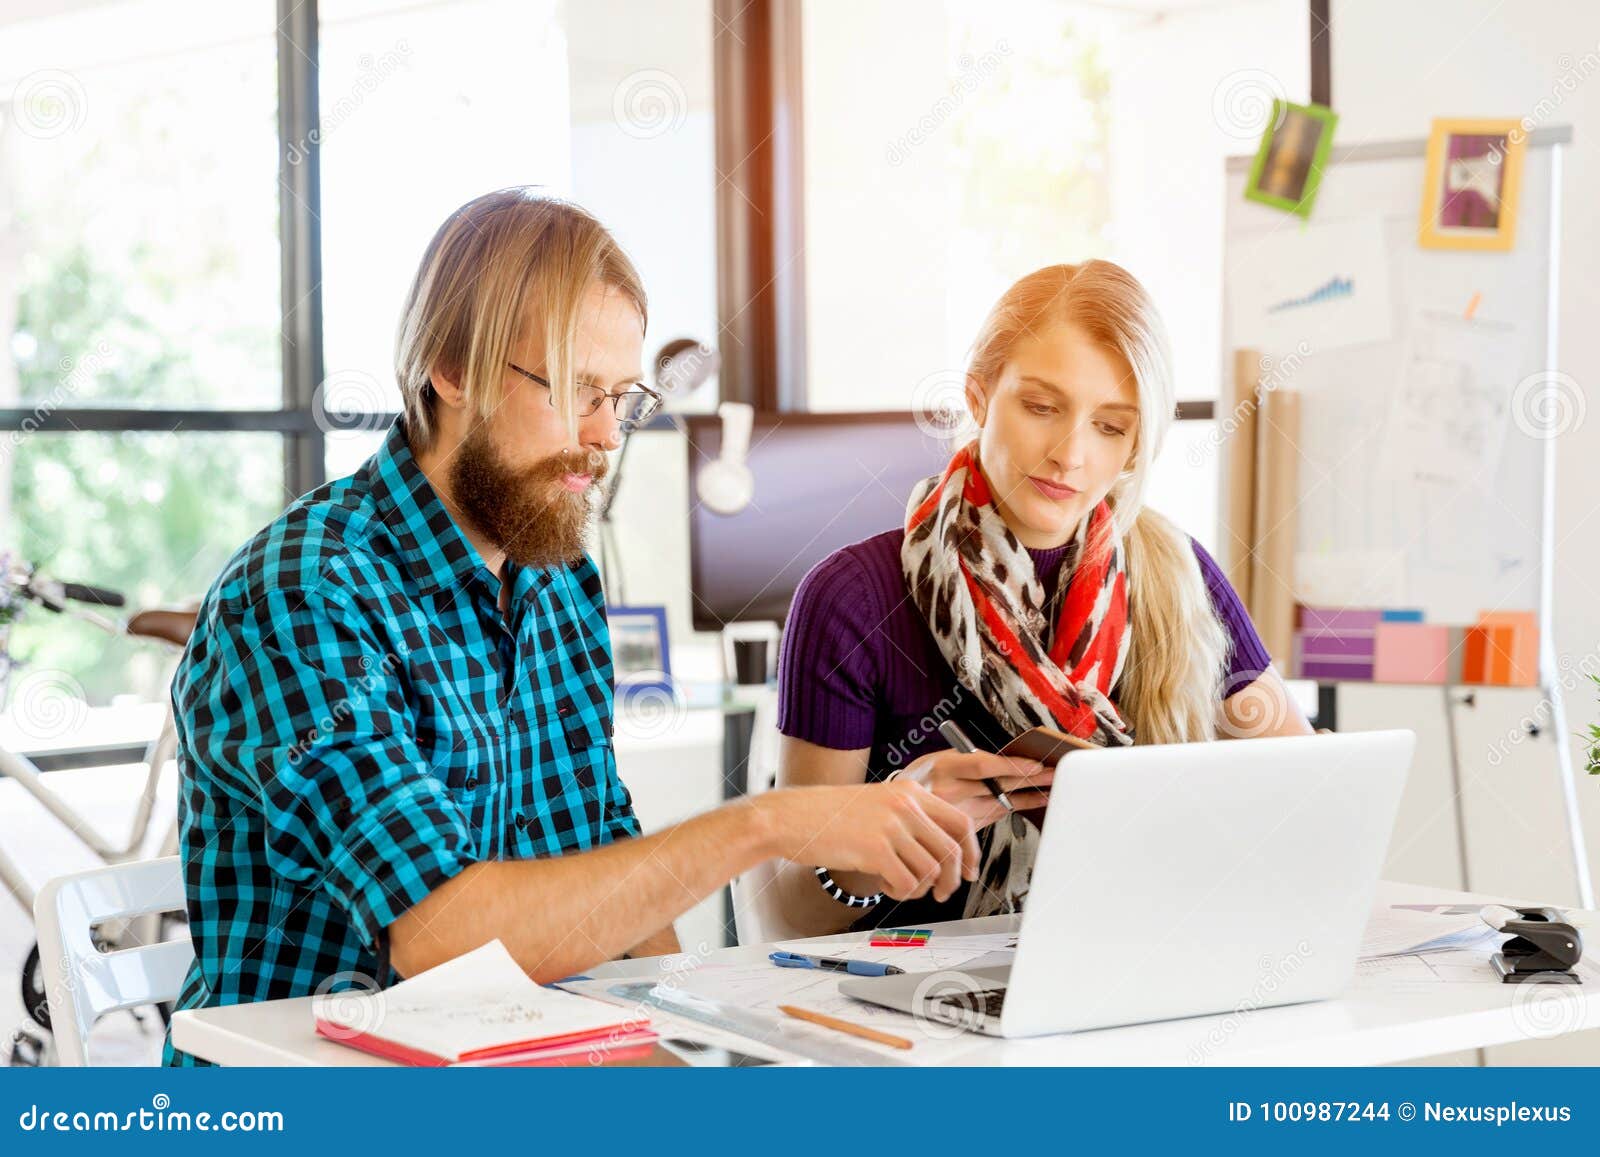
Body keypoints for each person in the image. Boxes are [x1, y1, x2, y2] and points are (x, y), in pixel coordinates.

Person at [162, 189, 978, 1064]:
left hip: (520, 1061)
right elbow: (439, 933)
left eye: (621, 399)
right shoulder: (305, 590)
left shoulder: (556, 579)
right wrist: (767, 822)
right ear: (452, 367)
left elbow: (603, 859)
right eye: (579, 390)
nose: (605, 435)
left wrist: (699, 1039)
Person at [772, 260, 1313, 937]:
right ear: (978, 398)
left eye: (1110, 427)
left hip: (1134, 966)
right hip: (908, 989)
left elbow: (1310, 797)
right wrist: (884, 831)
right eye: (1041, 407)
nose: (1070, 454)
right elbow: (791, 907)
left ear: (1135, 446)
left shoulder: (1178, 573)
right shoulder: (851, 597)